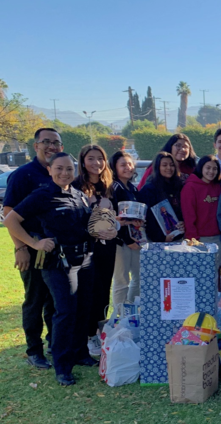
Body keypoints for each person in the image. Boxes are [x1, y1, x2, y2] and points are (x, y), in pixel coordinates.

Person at [5, 152, 117, 385]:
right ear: (50, 170)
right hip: (58, 263)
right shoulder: (41, 195)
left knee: (83, 308)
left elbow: (87, 228)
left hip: (85, 259)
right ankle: (62, 366)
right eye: (59, 168)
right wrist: (34, 243)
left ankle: (80, 354)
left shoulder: (78, 195)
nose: (64, 173)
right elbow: (10, 220)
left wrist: (103, 230)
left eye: (69, 169)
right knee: (65, 312)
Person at [4, 128, 60, 369]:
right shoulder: (23, 175)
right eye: (46, 142)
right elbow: (8, 214)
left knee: (54, 301)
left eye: (56, 143)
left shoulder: (60, 171)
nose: (51, 146)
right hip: (32, 247)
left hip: (56, 248)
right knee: (35, 300)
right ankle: (34, 350)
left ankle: (53, 344)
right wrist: (21, 247)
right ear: (35, 145)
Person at [73, 145, 116, 356]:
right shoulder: (75, 186)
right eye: (91, 158)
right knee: (88, 291)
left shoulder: (109, 186)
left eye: (100, 158)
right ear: (82, 161)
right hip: (86, 250)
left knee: (103, 291)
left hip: (107, 249)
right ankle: (88, 335)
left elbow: (116, 217)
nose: (96, 163)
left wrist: (117, 225)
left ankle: (100, 331)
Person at [180, 155, 221, 271]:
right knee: (201, 274)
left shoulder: (218, 186)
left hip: (218, 237)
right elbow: (188, 216)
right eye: (208, 168)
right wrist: (193, 239)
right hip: (200, 239)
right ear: (201, 168)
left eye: (214, 169)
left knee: (217, 273)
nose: (211, 171)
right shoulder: (190, 187)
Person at [109, 151, 142, 305]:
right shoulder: (114, 188)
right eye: (123, 165)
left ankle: (132, 311)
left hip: (136, 239)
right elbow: (115, 217)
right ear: (114, 168)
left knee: (139, 277)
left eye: (130, 164)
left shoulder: (133, 188)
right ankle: (119, 317)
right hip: (121, 242)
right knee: (122, 280)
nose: (128, 168)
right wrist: (127, 240)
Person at [139, 152, 185, 243]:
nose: (169, 168)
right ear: (157, 167)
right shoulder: (149, 189)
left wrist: (183, 223)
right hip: (156, 240)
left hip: (178, 238)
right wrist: (161, 237)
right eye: (164, 165)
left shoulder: (179, 186)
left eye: (172, 165)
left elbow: (182, 210)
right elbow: (147, 218)